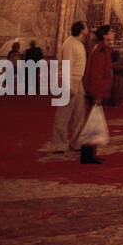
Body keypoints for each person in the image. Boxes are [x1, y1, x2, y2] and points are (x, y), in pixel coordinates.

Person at [50, 22, 88, 152]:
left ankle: (76, 143)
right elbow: (67, 65)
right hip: (70, 81)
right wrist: (68, 86)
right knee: (64, 114)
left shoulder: (78, 43)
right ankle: (58, 144)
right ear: (82, 30)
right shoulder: (70, 44)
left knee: (78, 115)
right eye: (86, 27)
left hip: (78, 80)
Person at [81, 25, 114, 165]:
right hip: (96, 91)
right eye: (111, 32)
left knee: (93, 122)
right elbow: (96, 74)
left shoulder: (102, 48)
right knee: (92, 123)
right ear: (105, 35)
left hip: (98, 90)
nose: (113, 34)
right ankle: (87, 155)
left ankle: (90, 154)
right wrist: (97, 94)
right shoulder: (101, 50)